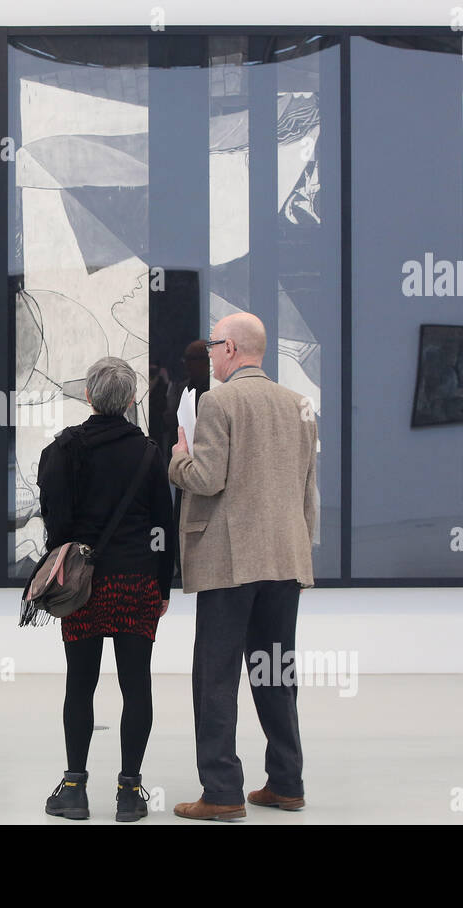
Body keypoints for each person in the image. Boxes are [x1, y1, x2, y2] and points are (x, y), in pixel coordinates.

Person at [167, 312, 318, 822]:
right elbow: (308, 489)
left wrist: (177, 456)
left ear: (230, 349)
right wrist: (302, 549)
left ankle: (222, 791)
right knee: (275, 671)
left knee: (215, 675)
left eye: (212, 345)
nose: (208, 354)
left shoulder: (218, 401)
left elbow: (206, 479)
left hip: (230, 561)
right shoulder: (299, 405)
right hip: (286, 557)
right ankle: (286, 783)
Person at [32, 357, 175, 822]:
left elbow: (55, 523)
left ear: (89, 396)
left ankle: (74, 788)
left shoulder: (63, 449)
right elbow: (163, 526)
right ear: (132, 400)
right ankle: (130, 793)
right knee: (137, 686)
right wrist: (162, 584)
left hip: (83, 586)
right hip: (136, 583)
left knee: (81, 683)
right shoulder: (150, 453)